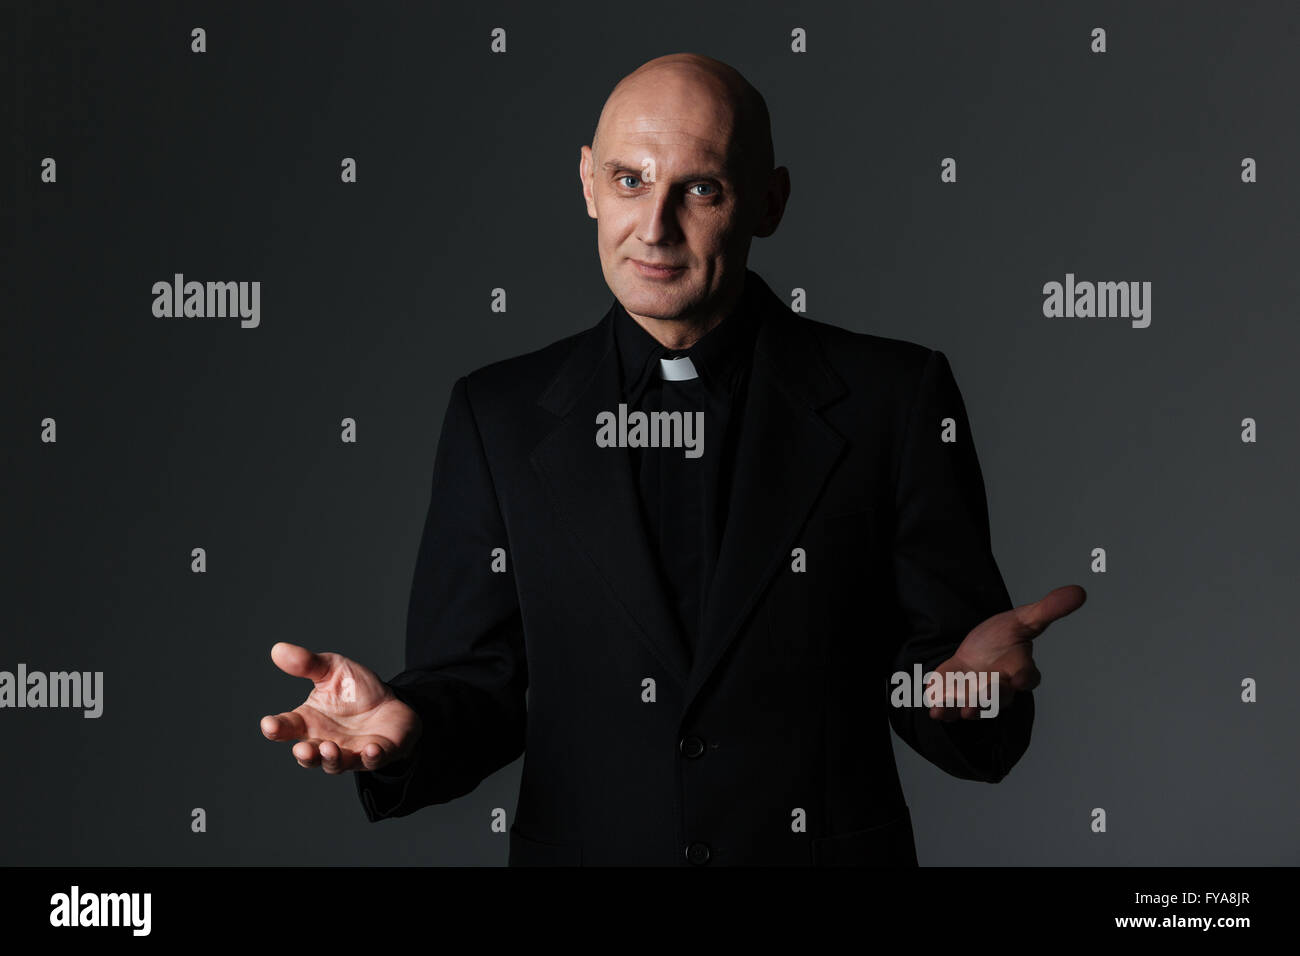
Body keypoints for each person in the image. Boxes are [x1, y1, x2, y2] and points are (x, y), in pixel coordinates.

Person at [259, 52, 1086, 866]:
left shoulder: (896, 399)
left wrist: (971, 696)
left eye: (700, 189)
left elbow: (942, 678)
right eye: (628, 180)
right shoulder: (497, 414)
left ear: (769, 202)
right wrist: (406, 726)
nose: (654, 227)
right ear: (587, 182)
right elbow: (480, 683)